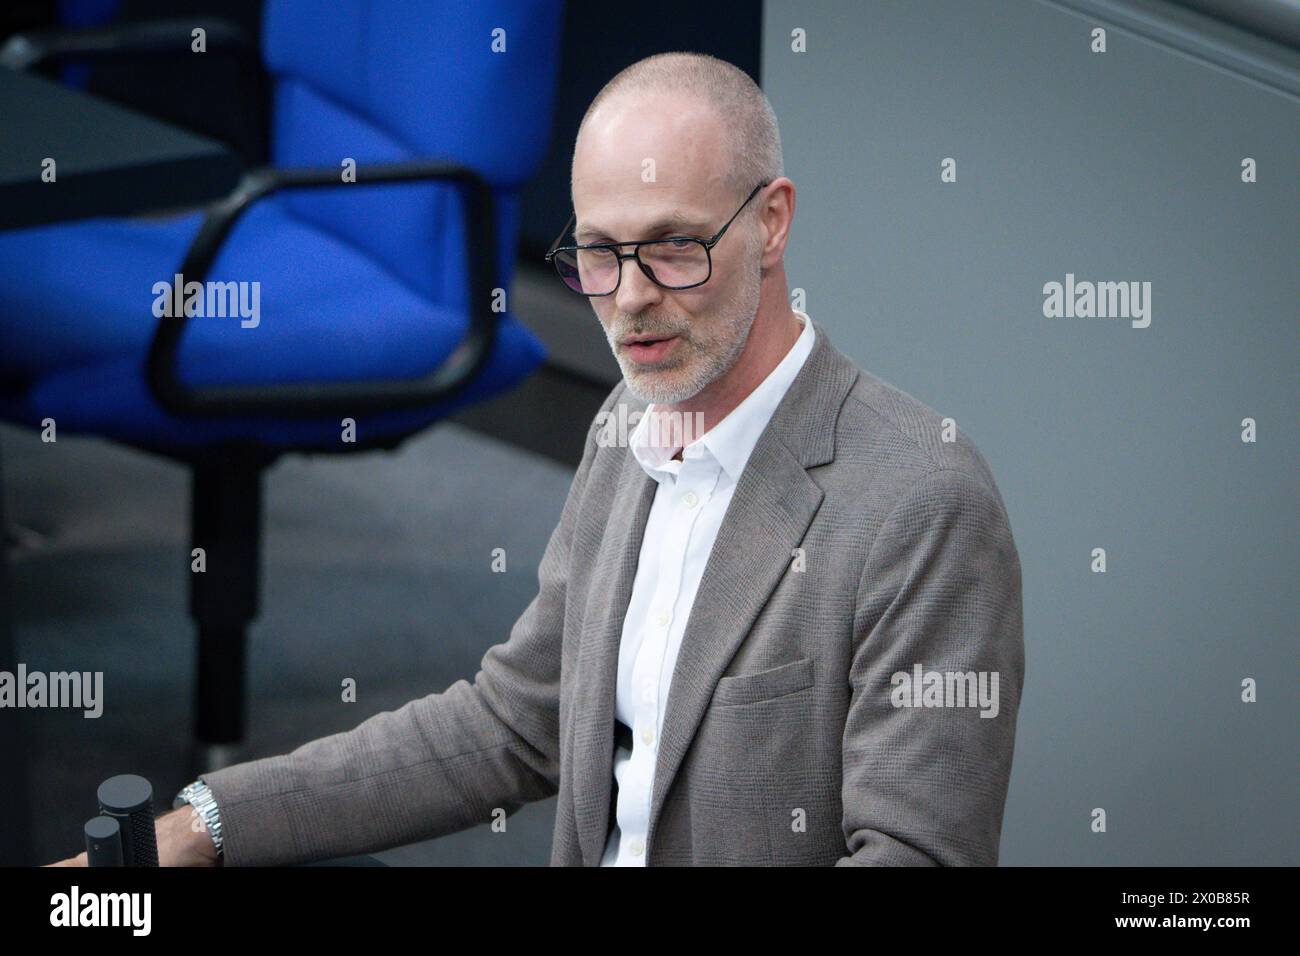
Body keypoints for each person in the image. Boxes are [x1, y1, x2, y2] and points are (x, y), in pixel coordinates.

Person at [51, 50, 1024, 868]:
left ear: (771, 221)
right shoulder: (627, 424)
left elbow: (915, 855)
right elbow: (514, 723)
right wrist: (203, 827)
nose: (630, 298)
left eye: (673, 249)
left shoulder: (919, 503)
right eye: (597, 254)